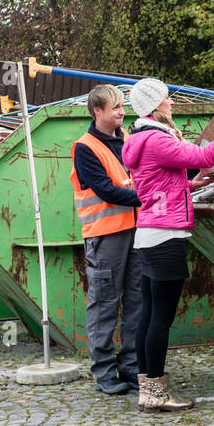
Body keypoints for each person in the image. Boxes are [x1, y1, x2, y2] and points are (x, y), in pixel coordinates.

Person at [122, 78, 214, 413]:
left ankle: (147, 387)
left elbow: (156, 181)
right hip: (166, 236)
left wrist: (188, 183)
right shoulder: (157, 139)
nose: (171, 103)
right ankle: (156, 392)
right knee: (160, 319)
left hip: (149, 232)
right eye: (167, 99)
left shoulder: (139, 137)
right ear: (155, 106)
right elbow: (207, 154)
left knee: (149, 315)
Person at [71, 83, 142, 396]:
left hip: (135, 230)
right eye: (115, 108)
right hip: (105, 237)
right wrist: (148, 197)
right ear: (98, 112)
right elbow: (106, 190)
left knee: (137, 301)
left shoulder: (127, 139)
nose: (122, 112)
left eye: (122, 106)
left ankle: (130, 367)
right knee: (104, 304)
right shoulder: (84, 148)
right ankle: (104, 372)